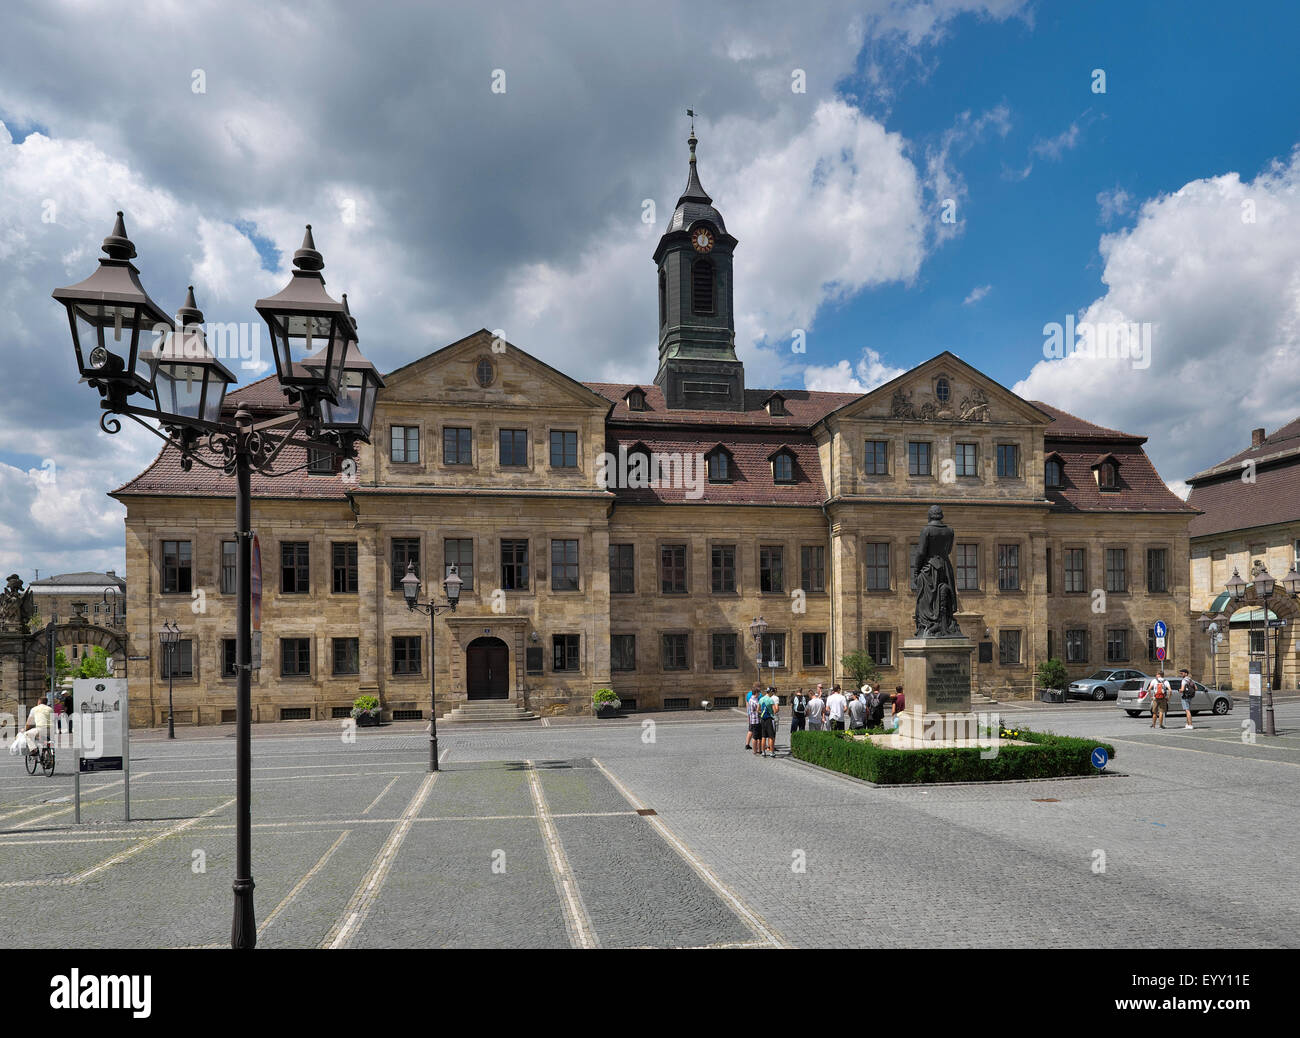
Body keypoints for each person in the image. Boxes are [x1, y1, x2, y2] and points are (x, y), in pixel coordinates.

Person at [759, 687, 778, 756]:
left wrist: (762, 712)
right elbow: (775, 710)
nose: (772, 694)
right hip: (769, 719)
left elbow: (758, 709)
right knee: (771, 736)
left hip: (762, 719)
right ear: (770, 692)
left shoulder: (761, 699)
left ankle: (763, 752)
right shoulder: (770, 700)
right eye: (772, 692)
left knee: (763, 736)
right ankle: (772, 752)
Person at [747, 688, 764, 755]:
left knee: (759, 736)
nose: (759, 694)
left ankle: (759, 750)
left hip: (755, 720)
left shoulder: (752, 699)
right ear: (756, 693)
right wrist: (762, 711)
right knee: (755, 737)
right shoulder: (754, 701)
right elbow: (758, 710)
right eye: (758, 693)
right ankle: (755, 750)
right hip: (755, 720)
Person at [744, 683, 761, 751]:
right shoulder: (758, 696)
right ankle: (757, 748)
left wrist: (748, 713)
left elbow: (747, 703)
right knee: (757, 734)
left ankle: (747, 744)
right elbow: (759, 706)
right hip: (756, 717)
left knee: (750, 729)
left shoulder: (748, 694)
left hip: (751, 715)